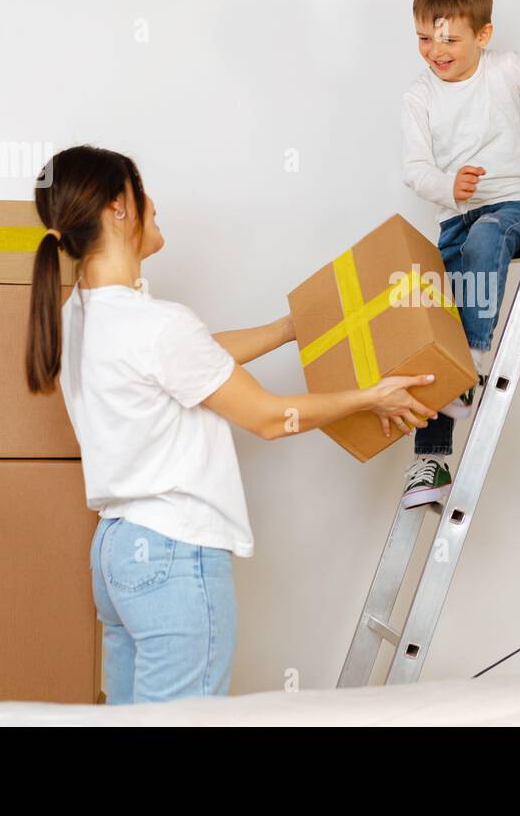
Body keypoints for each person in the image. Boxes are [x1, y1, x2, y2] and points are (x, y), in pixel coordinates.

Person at [24, 145, 438, 703]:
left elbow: (191, 357)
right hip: (174, 552)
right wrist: (369, 397)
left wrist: (288, 328)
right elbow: (269, 418)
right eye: (143, 193)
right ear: (118, 208)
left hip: (118, 555)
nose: (155, 204)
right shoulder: (156, 326)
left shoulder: (80, 313)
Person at [399, 0, 520, 508]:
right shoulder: (419, 97)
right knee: (434, 327)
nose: (436, 51)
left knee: (488, 239)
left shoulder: (504, 68)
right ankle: (429, 463)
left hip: (516, 209)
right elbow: (414, 169)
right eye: (423, 39)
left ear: (483, 34)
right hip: (457, 221)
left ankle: (471, 368)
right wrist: (449, 186)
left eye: (449, 38)